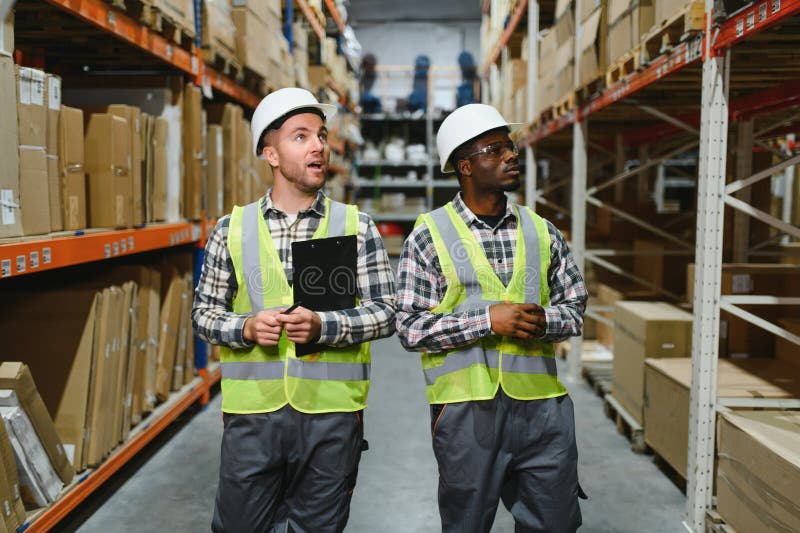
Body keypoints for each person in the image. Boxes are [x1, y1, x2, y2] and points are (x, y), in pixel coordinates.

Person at [192, 87, 396, 533]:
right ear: (270, 152)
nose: (319, 146)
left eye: (321, 135)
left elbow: (386, 312)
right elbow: (204, 314)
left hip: (331, 417)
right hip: (252, 418)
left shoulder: (354, 225)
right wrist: (245, 328)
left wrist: (326, 325)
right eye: (300, 136)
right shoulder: (233, 228)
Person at [396, 103, 588, 533]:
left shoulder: (541, 230)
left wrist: (543, 321)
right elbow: (409, 326)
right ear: (465, 165)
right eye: (495, 149)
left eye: (510, 146)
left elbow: (575, 308)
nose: (511, 155)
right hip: (467, 414)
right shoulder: (429, 235)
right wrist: (487, 321)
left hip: (543, 411)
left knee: (555, 523)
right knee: (466, 525)